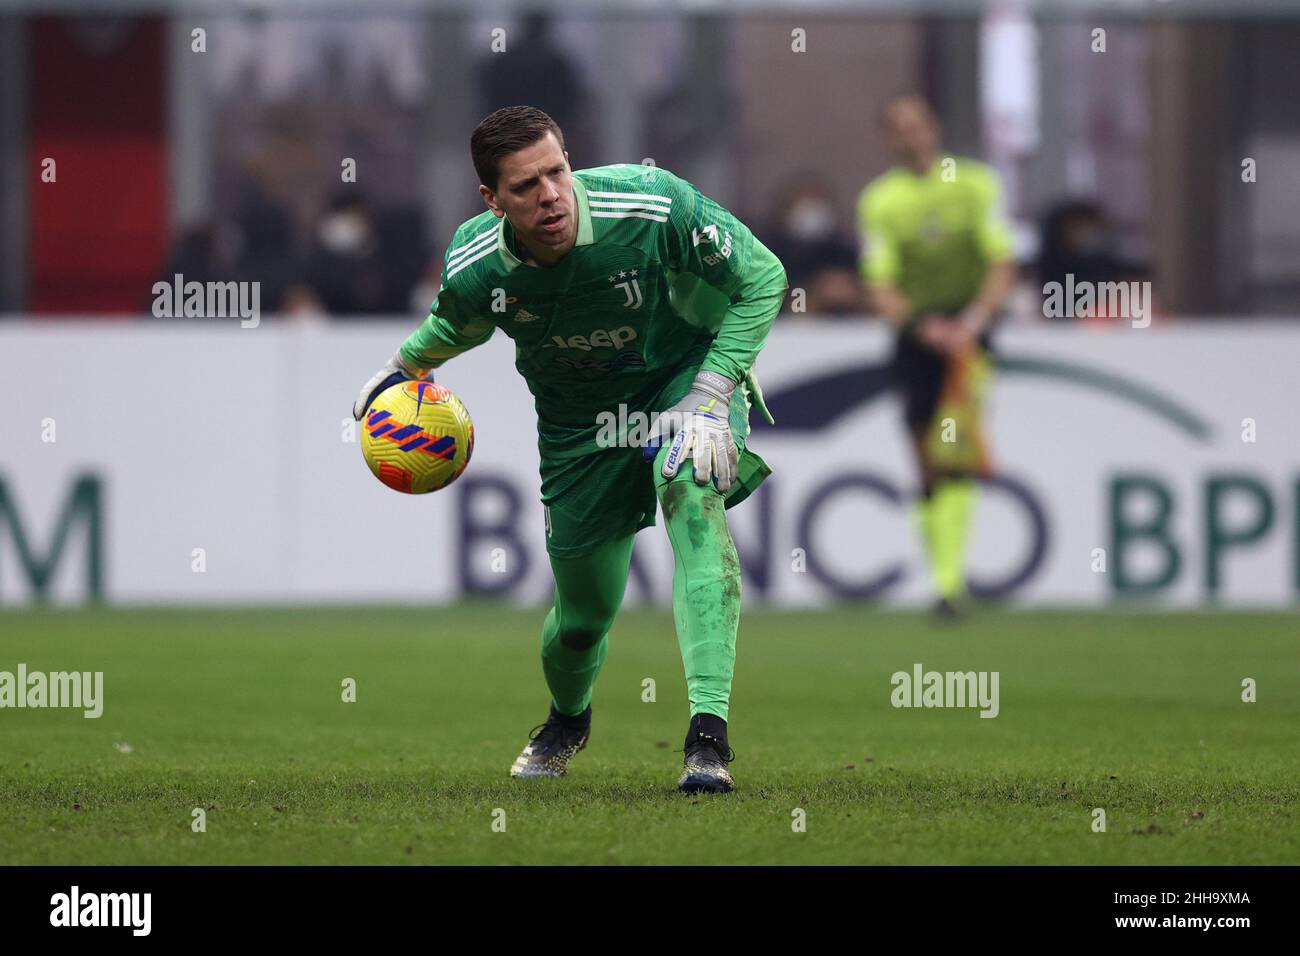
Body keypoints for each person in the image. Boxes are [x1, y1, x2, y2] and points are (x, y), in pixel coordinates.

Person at [352, 106, 786, 793]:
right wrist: (404, 367)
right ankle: (568, 719)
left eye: (557, 172)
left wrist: (709, 390)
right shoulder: (475, 262)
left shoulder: (652, 205)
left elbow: (763, 278)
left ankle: (708, 738)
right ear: (492, 200)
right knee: (582, 620)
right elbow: (459, 321)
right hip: (578, 426)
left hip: (685, 382)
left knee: (692, 491)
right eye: (525, 187)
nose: (550, 195)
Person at [856, 95, 1015, 617]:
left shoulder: (977, 184)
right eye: (899, 129)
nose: (911, 137)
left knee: (959, 450)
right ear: (888, 139)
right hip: (918, 336)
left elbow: (1000, 261)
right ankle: (944, 579)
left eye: (917, 126)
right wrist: (923, 327)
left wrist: (971, 322)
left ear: (934, 128)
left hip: (969, 333)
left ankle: (950, 584)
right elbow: (879, 283)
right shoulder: (880, 200)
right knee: (925, 456)